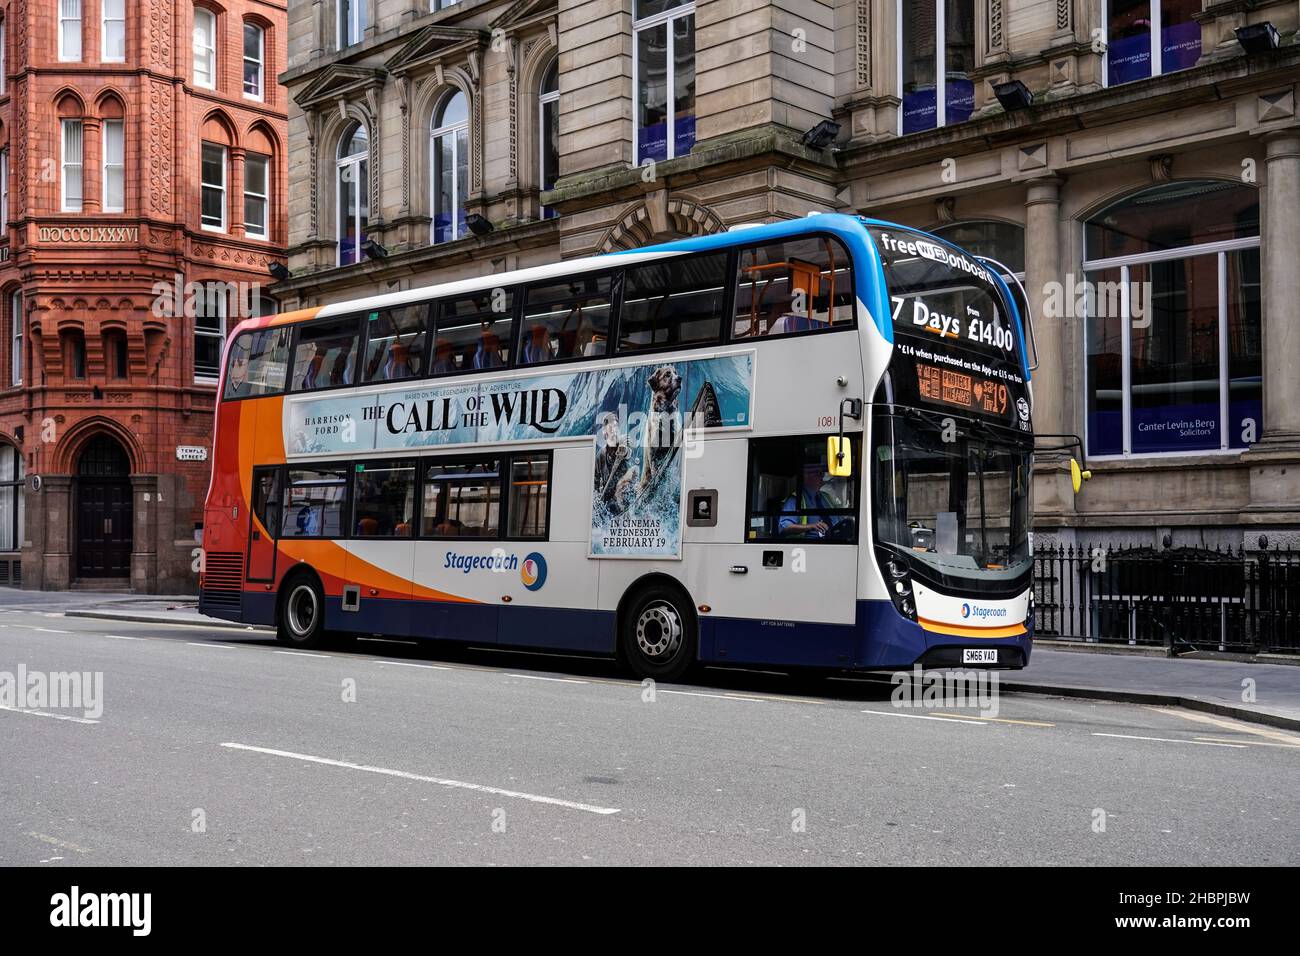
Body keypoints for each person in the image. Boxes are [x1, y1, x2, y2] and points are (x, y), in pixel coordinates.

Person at [779, 460, 841, 538]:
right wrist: (811, 526)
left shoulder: (826, 497)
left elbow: (839, 521)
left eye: (822, 473)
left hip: (835, 542)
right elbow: (784, 527)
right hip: (808, 546)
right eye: (818, 474)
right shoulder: (795, 499)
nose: (822, 476)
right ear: (806, 477)